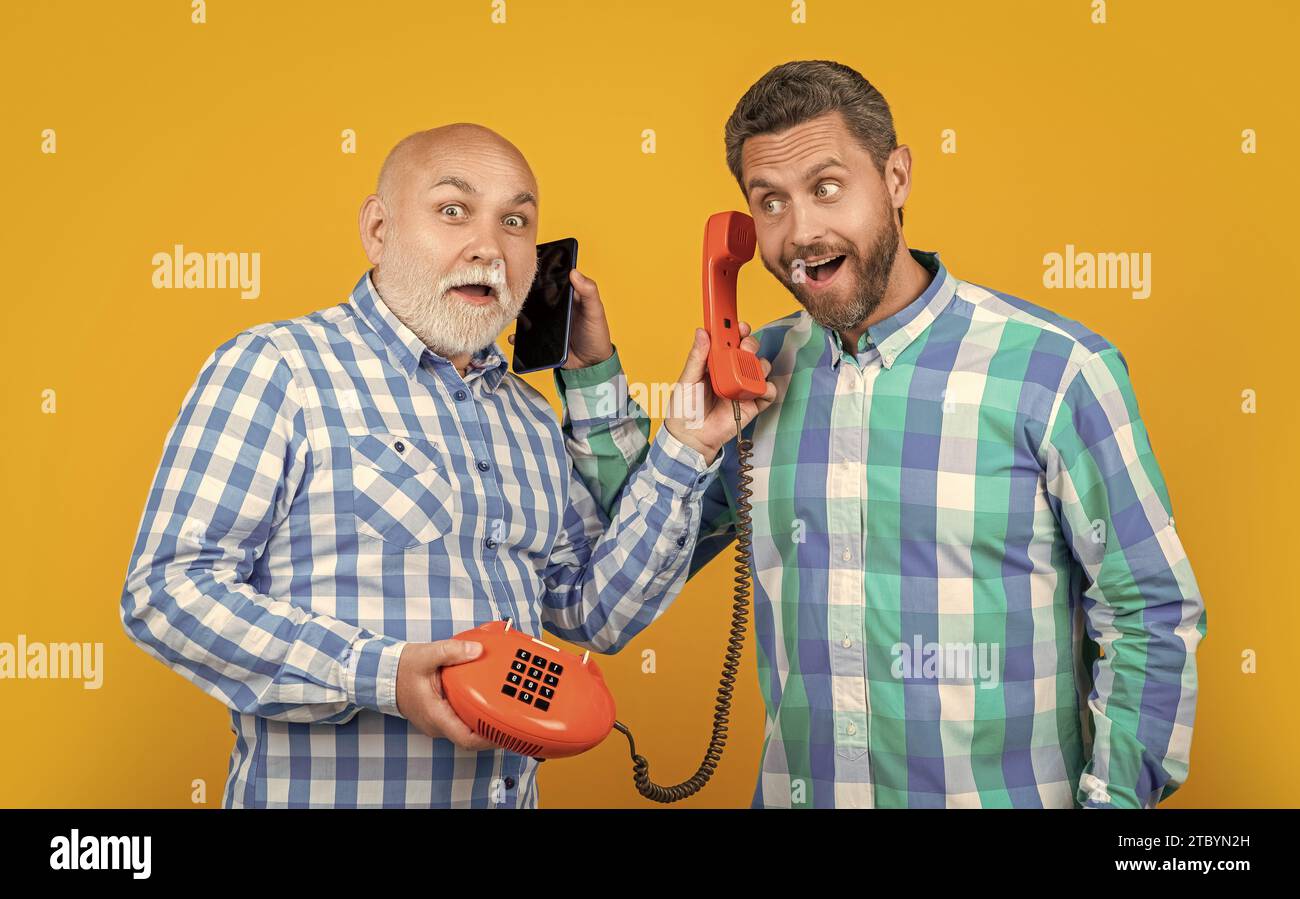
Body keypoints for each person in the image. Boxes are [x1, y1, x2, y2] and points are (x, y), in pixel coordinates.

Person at [573, 60, 1207, 808]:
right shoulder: (749, 378)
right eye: (770, 202)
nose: (802, 232)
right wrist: (596, 382)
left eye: (827, 187)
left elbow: (1148, 613)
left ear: (897, 177)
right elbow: (631, 572)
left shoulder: (1058, 370)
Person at [118, 123, 774, 808]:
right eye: (453, 210)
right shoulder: (278, 369)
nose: (488, 247)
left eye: (515, 221)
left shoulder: (527, 419)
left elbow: (598, 612)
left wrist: (688, 445)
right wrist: (380, 673)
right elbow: (167, 589)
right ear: (378, 228)